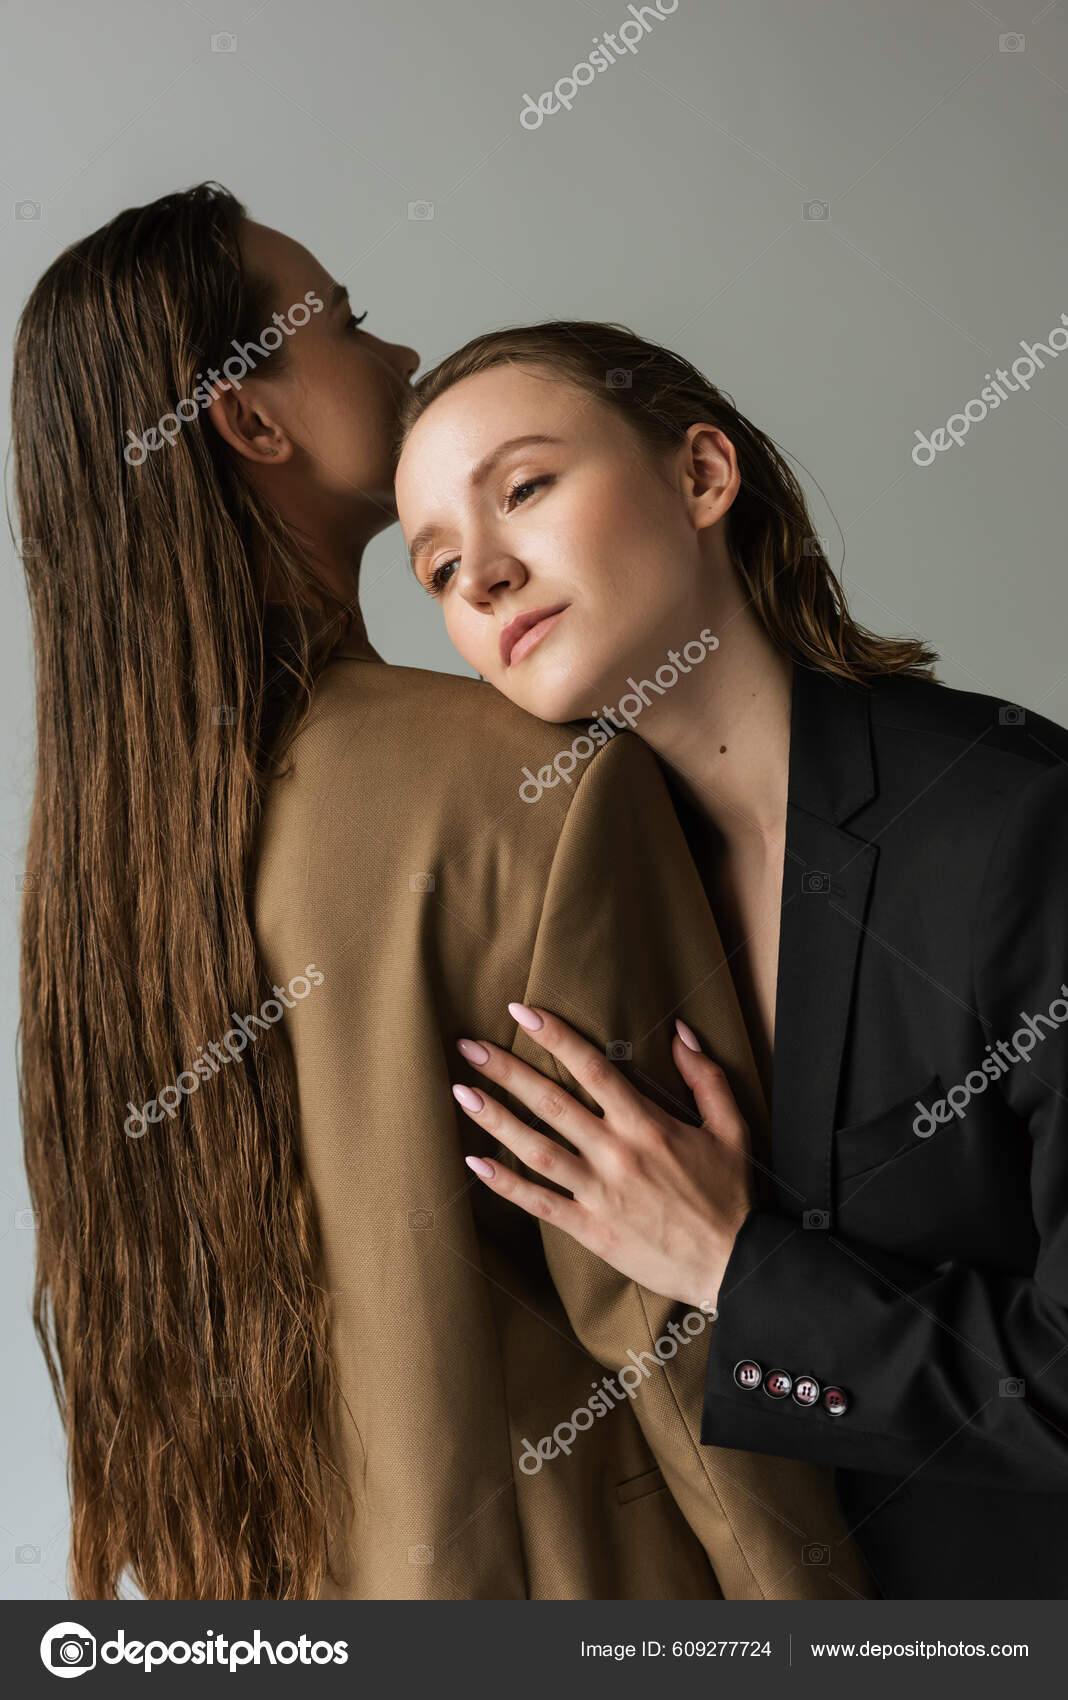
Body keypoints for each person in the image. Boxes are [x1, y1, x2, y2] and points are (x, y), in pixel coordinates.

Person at [13, 189, 871, 1600]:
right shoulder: (529, 785)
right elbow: (670, 1320)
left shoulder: (107, 896)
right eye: (340, 325)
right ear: (250, 421)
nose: (399, 356)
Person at [395, 318, 1068, 1599]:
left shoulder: (1015, 821)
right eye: (434, 566)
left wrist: (729, 1262)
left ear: (703, 476)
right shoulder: (572, 912)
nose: (480, 574)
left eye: (525, 488)